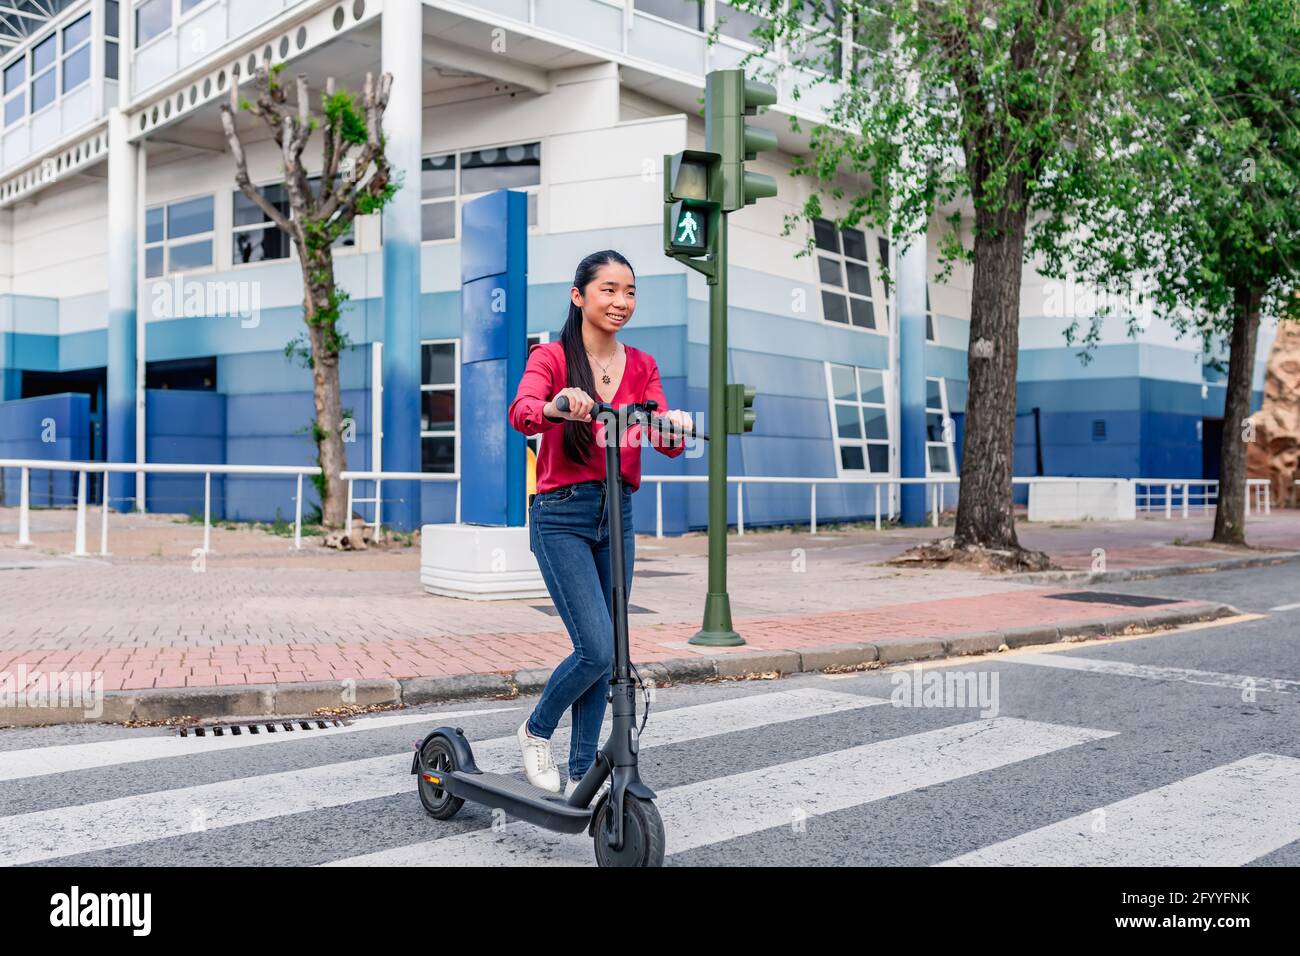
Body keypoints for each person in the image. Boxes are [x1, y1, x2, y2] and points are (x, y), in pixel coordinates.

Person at [507, 249, 692, 799]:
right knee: (597, 646)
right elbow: (521, 411)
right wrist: (558, 405)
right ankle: (536, 729)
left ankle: (584, 766)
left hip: (619, 513)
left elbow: (664, 439)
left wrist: (675, 425)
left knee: (607, 647)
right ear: (578, 295)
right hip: (561, 514)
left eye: (629, 291)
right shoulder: (552, 357)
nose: (621, 301)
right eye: (609, 289)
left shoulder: (642, 365)